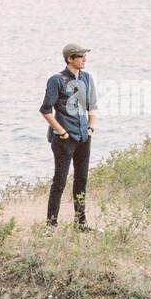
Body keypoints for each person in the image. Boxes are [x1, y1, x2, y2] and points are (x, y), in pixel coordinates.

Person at [39, 44, 99, 233]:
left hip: (84, 137)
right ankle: (51, 225)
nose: (84, 59)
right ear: (69, 59)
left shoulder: (87, 78)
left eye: (84, 56)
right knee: (60, 182)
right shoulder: (56, 80)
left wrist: (90, 129)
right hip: (64, 139)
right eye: (80, 56)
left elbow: (93, 106)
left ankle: (80, 223)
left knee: (81, 180)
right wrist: (62, 132)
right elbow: (46, 111)